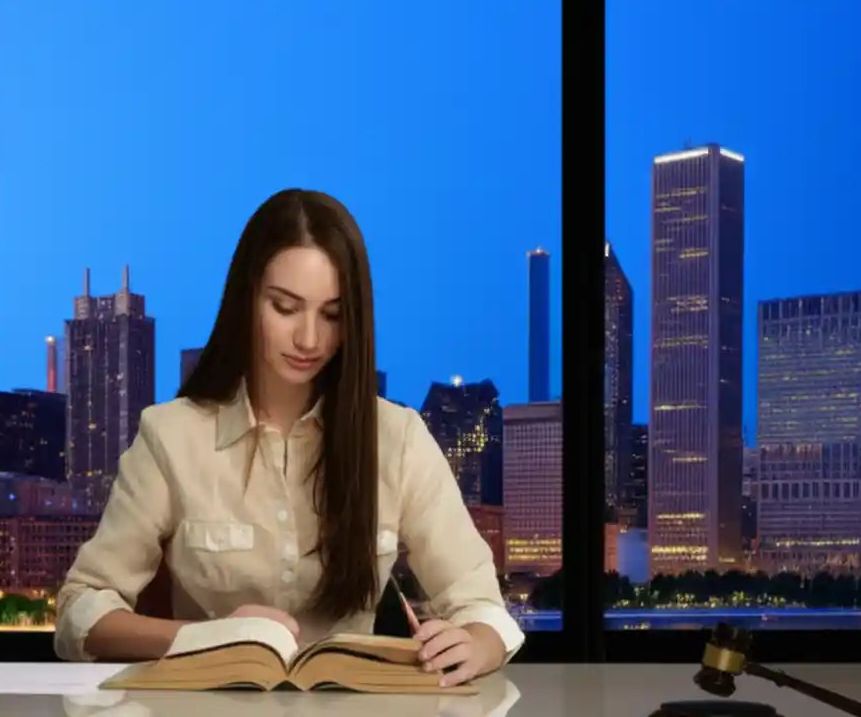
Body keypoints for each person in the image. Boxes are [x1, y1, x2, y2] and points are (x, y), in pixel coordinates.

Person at [54, 188, 524, 687]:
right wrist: (205, 638)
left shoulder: (397, 437)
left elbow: (481, 604)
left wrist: (480, 643)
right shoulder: (171, 435)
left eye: (332, 314)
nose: (309, 340)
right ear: (247, 299)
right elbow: (80, 611)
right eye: (285, 308)